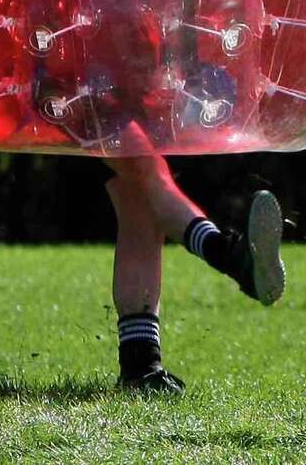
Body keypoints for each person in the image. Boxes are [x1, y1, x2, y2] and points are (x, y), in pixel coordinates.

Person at [100, 123, 286, 394]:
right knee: (146, 171)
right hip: (80, 93)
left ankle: (140, 366)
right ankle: (229, 256)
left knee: (138, 196)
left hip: (97, 94)